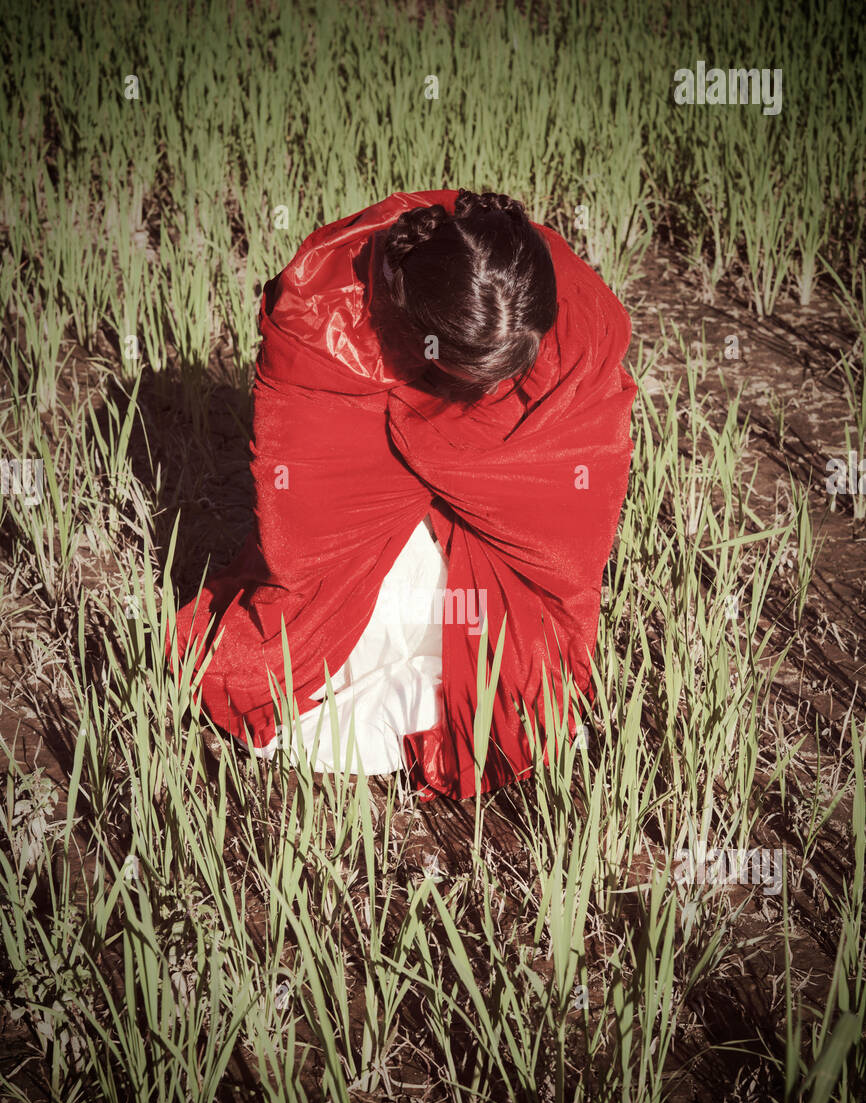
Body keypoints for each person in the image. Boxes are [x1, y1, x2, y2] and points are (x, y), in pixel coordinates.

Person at [166, 188, 636, 800]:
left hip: (488, 515)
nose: (498, 391)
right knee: (329, 603)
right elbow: (307, 505)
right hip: (371, 495)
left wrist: (468, 460)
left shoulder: (561, 308)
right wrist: (419, 454)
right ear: (422, 333)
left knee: (516, 675)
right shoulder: (325, 312)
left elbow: (576, 486)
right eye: (481, 379)